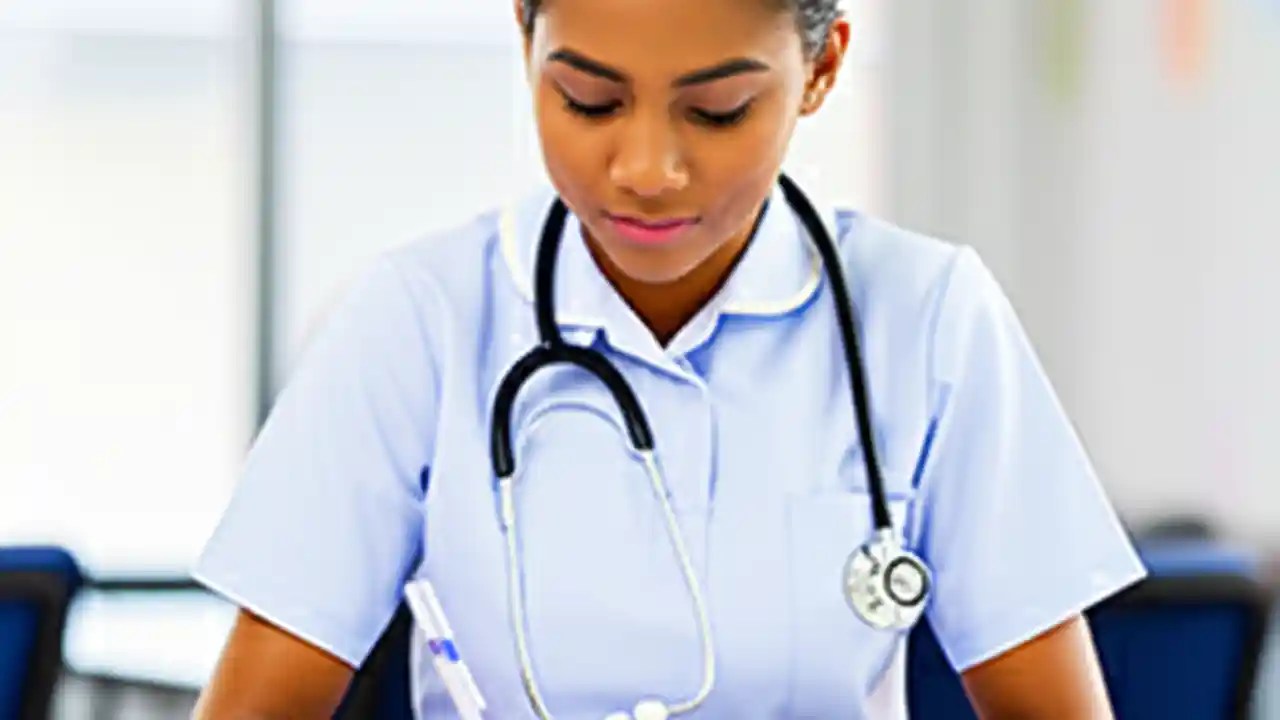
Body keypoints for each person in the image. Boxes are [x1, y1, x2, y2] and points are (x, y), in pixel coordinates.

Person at [191, 0, 1146, 717]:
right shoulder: (419, 320)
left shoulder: (928, 317)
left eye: (718, 110)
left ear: (821, 69)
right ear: (524, 41)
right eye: (589, 100)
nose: (647, 169)